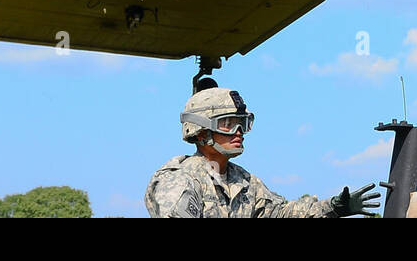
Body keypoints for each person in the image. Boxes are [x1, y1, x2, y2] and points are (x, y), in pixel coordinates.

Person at [145, 86, 380, 218]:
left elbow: (281, 213)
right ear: (200, 132)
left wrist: (334, 207)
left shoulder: (245, 183)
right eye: (227, 123)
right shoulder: (179, 180)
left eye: (242, 123)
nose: (239, 132)